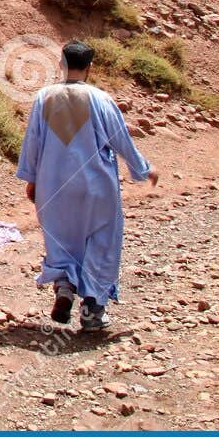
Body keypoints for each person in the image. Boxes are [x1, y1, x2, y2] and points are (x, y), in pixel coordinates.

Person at [15, 40, 159, 331]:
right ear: (90, 67)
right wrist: (143, 169)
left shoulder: (44, 98)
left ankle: (65, 285)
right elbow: (120, 139)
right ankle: (93, 309)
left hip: (54, 185)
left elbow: (33, 142)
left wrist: (32, 180)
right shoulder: (100, 99)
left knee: (61, 239)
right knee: (101, 241)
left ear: (61, 64)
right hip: (96, 185)